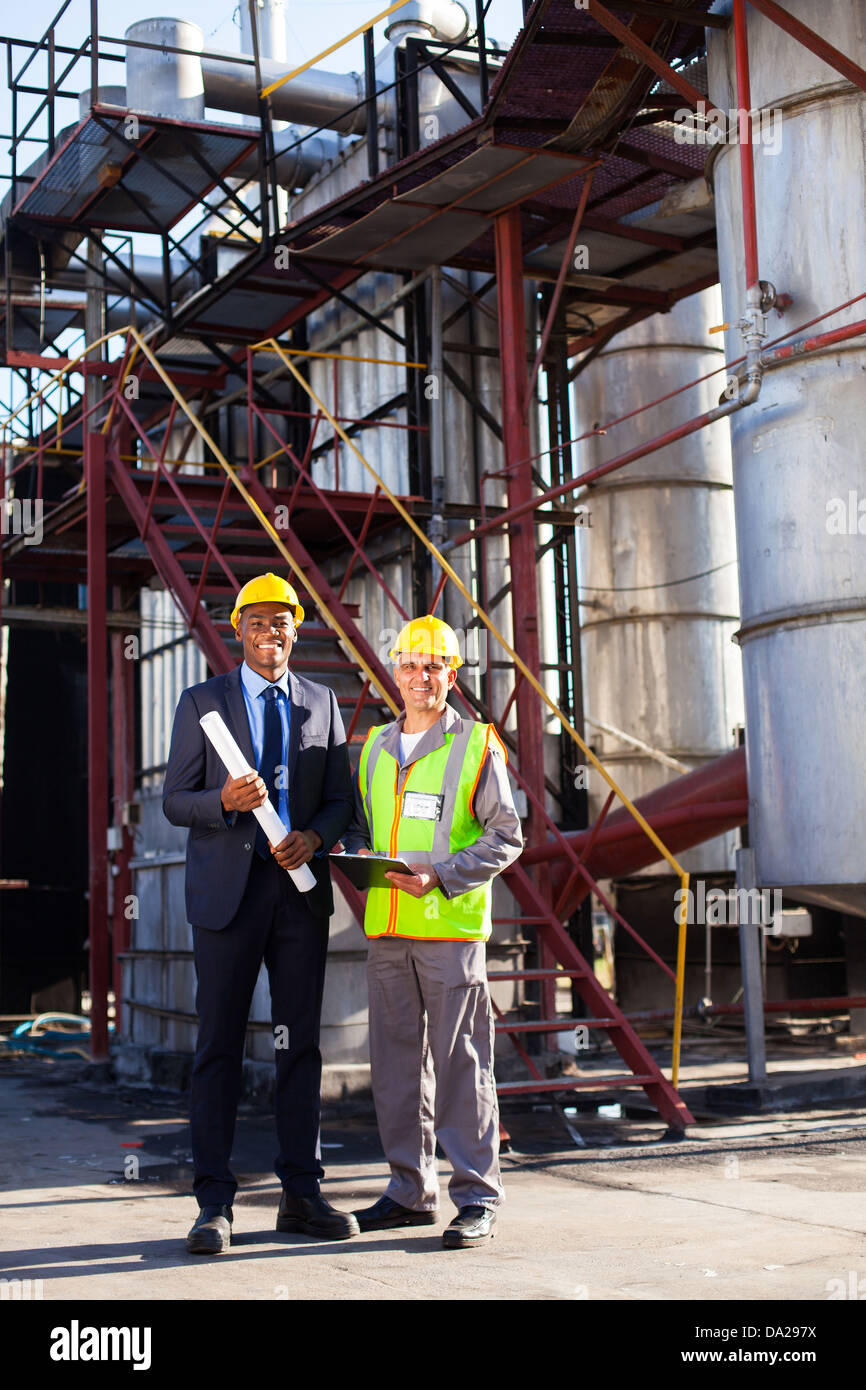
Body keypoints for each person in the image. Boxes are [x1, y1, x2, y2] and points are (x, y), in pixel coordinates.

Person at [163, 571, 358, 1253]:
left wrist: (316, 837)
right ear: (238, 630)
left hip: (298, 895)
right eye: (257, 621)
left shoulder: (322, 703)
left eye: (282, 621)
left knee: (299, 1047)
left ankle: (301, 1194)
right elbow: (173, 801)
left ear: (294, 630)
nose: (269, 632)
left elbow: (342, 801)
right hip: (227, 897)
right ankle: (214, 1202)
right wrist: (223, 802)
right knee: (218, 1047)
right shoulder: (202, 702)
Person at [344, 615, 523, 1249]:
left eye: (435, 666)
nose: (422, 676)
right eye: (411, 664)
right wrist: (352, 854)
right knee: (394, 1066)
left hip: (449, 929)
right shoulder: (372, 748)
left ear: (452, 675)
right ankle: (407, 1190)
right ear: (393, 671)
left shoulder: (477, 745)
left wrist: (443, 876)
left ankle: (476, 1196)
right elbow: (366, 831)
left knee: (461, 1063)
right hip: (389, 931)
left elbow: (508, 835)